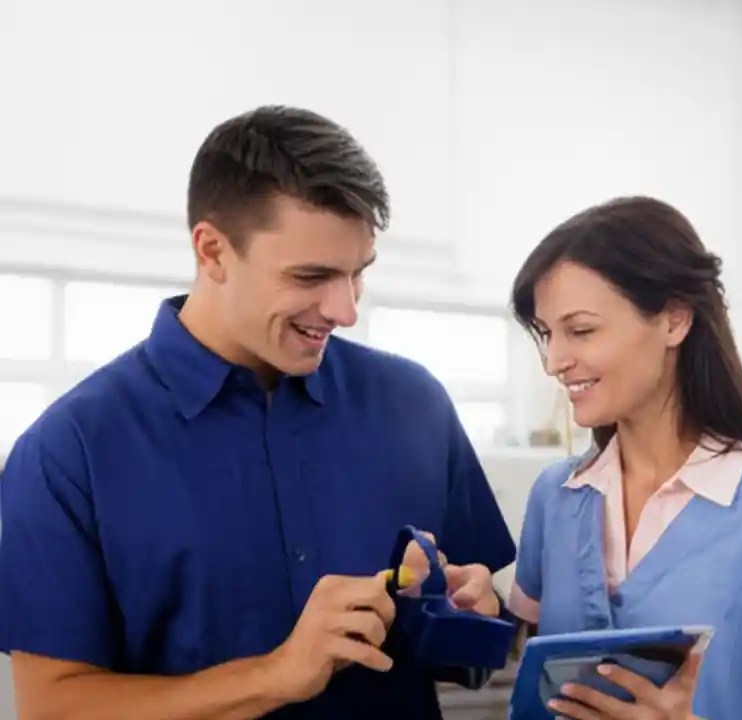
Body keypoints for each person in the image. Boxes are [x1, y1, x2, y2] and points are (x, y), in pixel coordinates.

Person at [0, 106, 515, 719]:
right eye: (311, 276)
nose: (345, 309)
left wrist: (471, 614)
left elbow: (477, 651)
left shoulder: (415, 403)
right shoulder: (69, 451)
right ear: (212, 250)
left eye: (358, 275)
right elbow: (53, 708)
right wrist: (274, 676)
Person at [506, 196, 742, 719]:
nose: (555, 361)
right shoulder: (556, 498)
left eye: (580, 330)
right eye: (546, 334)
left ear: (674, 321)